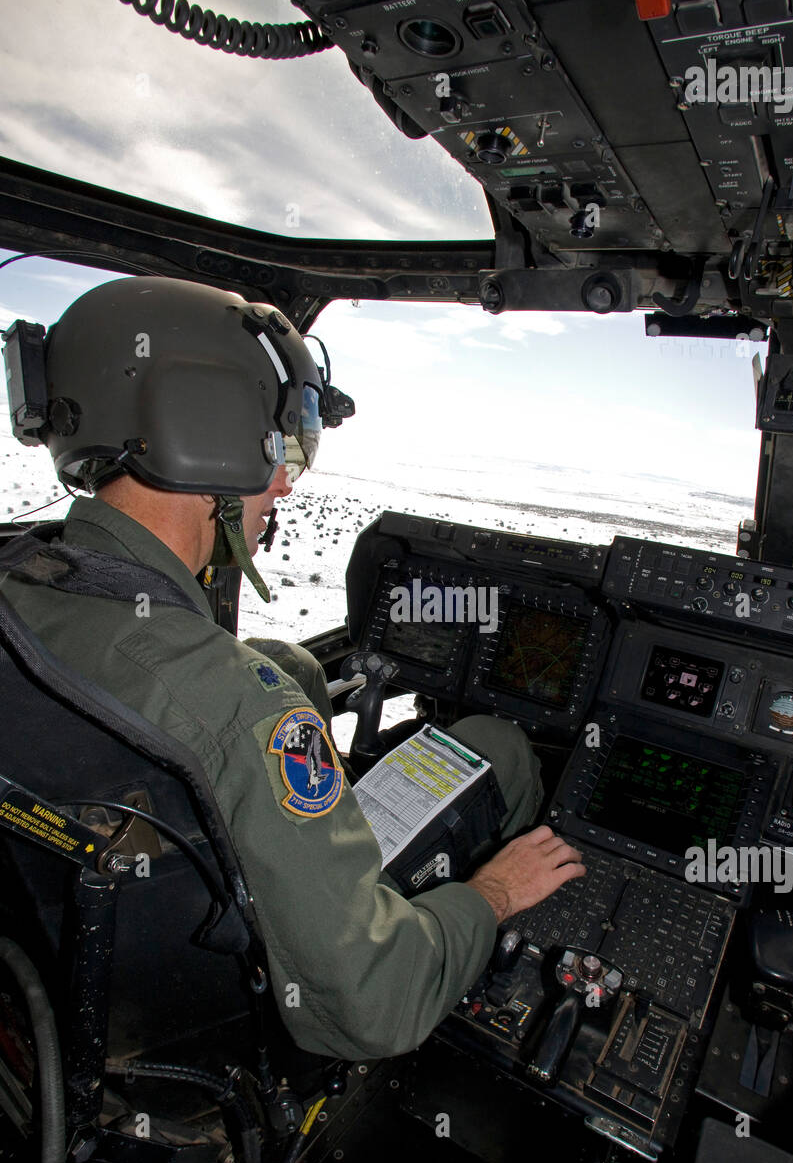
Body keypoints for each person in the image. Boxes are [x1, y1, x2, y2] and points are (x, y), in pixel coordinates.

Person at [0, 276, 584, 1059]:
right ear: (203, 432)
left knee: (288, 661)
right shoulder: (243, 707)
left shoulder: (20, 579)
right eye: (276, 446)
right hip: (234, 1015)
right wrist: (493, 892)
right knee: (496, 742)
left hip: (82, 969)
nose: (280, 480)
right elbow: (371, 1004)